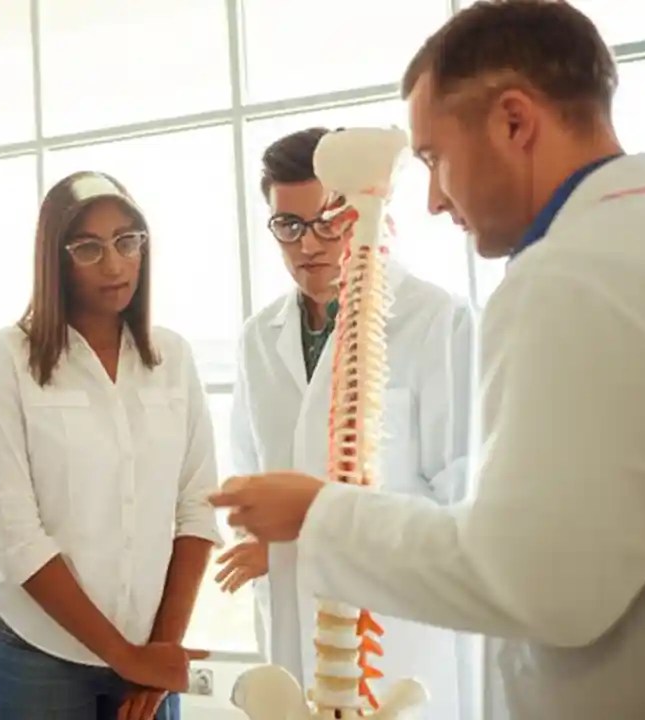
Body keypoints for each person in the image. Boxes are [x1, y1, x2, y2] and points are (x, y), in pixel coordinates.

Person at [209, 2, 645, 718]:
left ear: (515, 122)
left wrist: (320, 516)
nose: (433, 199)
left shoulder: (569, 278)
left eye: (434, 158)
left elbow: (538, 578)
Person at [216, 127, 477, 720]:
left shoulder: (438, 322)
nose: (311, 244)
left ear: (363, 211)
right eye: (289, 226)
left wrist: (304, 536)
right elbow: (252, 475)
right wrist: (261, 537)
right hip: (293, 634)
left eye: (329, 220)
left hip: (400, 636)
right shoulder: (261, 339)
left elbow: (461, 505)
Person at [0, 171, 220, 720]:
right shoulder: (7, 357)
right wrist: (123, 655)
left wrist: (157, 656)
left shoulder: (172, 357)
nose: (114, 264)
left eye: (127, 241)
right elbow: (12, 533)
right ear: (55, 259)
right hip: (42, 659)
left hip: (151, 646)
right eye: (89, 247)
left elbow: (197, 506)